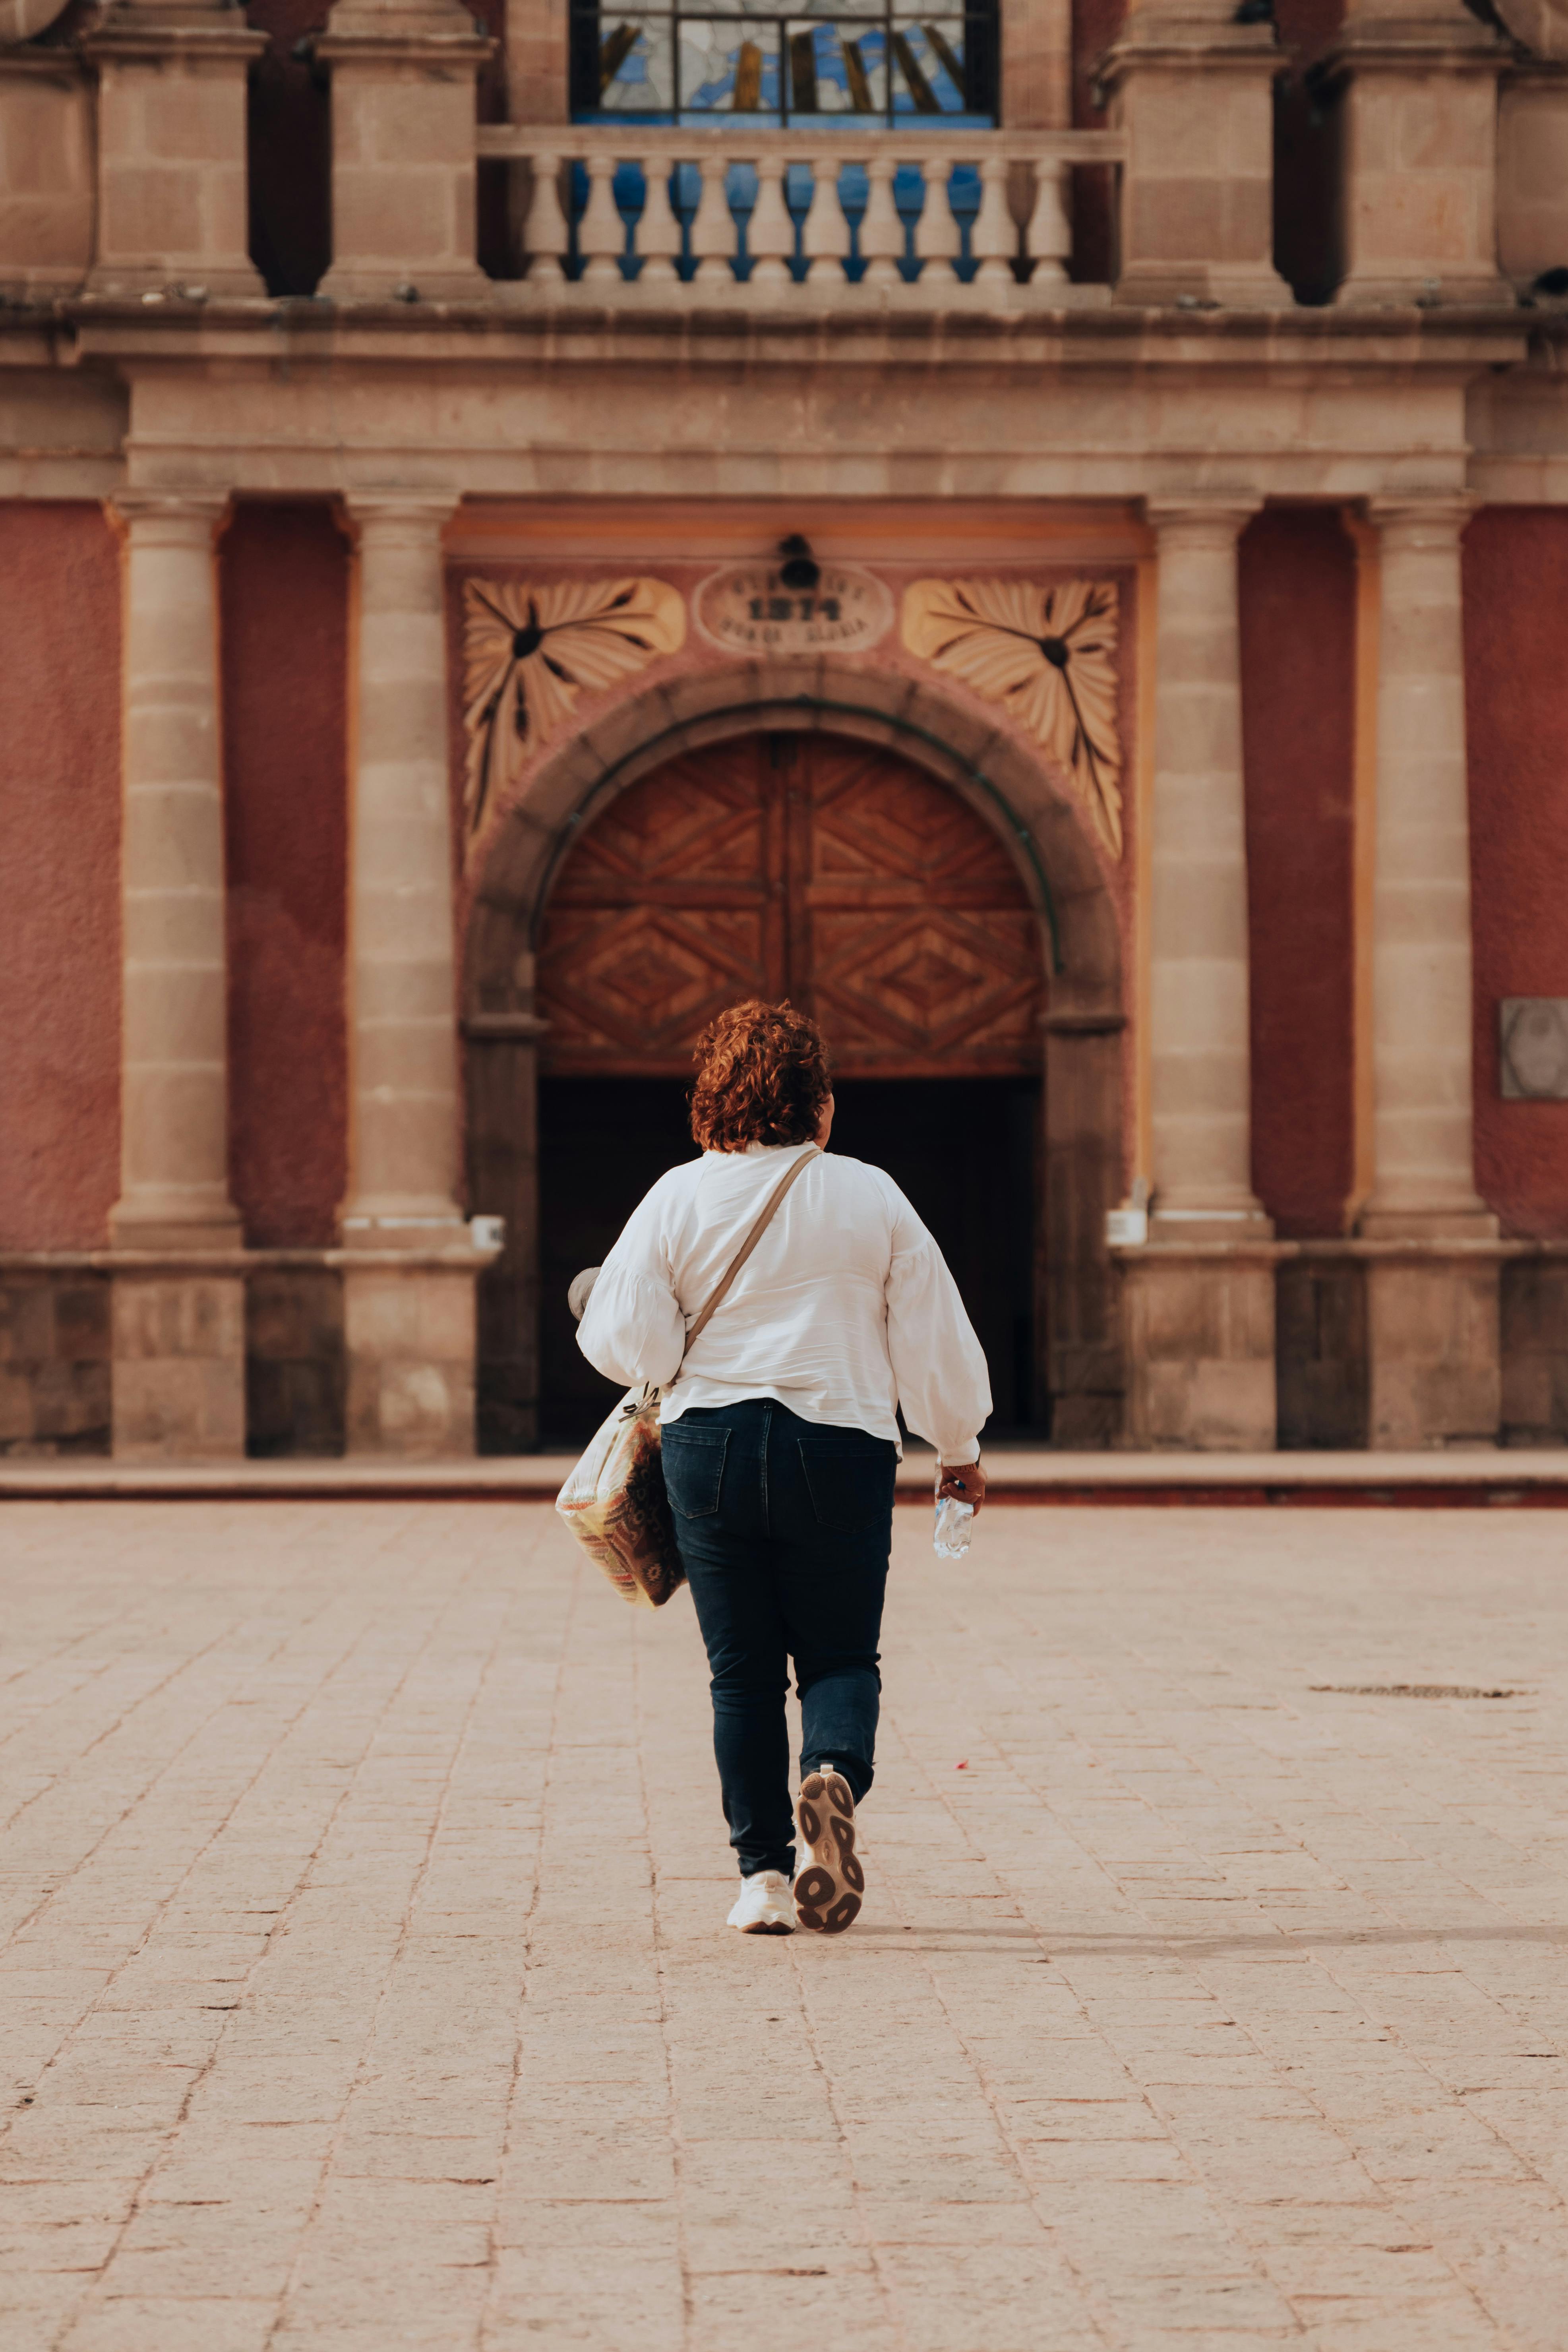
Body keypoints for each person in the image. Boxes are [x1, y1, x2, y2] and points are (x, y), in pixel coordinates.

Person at [575, 999, 991, 1937]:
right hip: (837, 1442)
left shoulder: (675, 1195)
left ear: (709, 1101)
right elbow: (931, 1334)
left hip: (707, 1447)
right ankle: (832, 1776)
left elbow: (631, 1340)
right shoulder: (871, 1193)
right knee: (840, 1653)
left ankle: (762, 1877)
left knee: (742, 1674)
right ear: (822, 1106)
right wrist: (956, 1447)